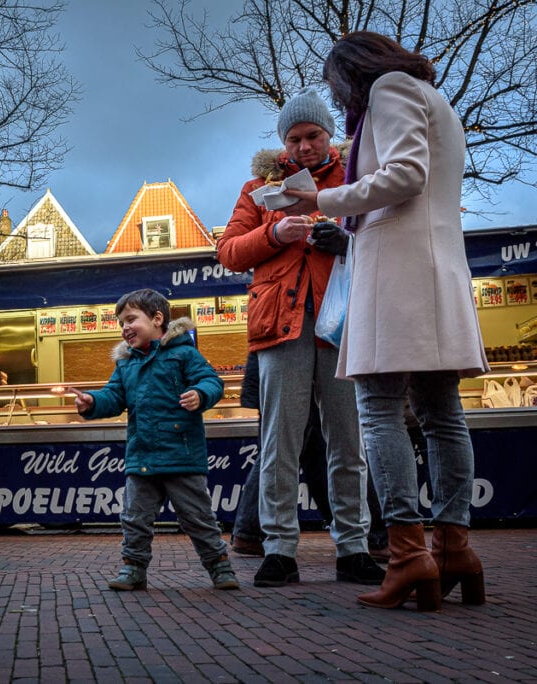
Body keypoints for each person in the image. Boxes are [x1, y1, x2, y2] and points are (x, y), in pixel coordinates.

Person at [284, 32, 489, 611]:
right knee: (441, 412)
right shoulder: (433, 97)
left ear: (353, 72)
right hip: (436, 266)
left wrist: (320, 202)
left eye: (335, 84)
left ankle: (408, 554)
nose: (338, 95)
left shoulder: (392, 90)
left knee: (378, 407)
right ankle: (454, 549)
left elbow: (404, 175)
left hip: (398, 272)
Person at [216, 88, 385, 587]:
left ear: (329, 134)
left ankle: (353, 546)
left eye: (313, 135)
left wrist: (347, 243)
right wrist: (275, 234)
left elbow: (380, 237)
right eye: (295, 139)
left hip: (339, 323)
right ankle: (279, 550)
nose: (305, 146)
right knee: (279, 444)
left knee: (348, 443)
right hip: (280, 326)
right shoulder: (256, 189)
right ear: (282, 144)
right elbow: (228, 251)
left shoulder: (356, 178)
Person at [68, 288, 238, 592]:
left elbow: (212, 381)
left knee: (198, 517)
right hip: (142, 456)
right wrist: (93, 402)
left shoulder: (184, 353)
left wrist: (200, 394)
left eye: (131, 319)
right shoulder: (125, 363)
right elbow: (114, 396)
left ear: (157, 319)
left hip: (182, 455)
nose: (124, 327)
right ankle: (133, 568)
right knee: (134, 517)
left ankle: (219, 566)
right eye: (121, 322)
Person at [230, 352, 333, 557]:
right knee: (283, 449)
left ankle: (250, 531)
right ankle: (250, 531)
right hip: (287, 375)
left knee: (302, 451)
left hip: (278, 374)